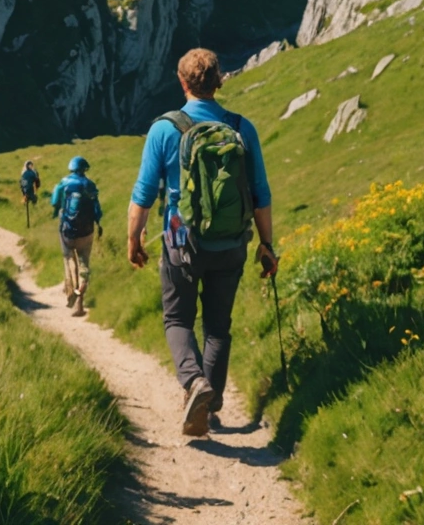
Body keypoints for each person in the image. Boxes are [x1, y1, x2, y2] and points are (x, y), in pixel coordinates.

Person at [126, 48, 279, 438]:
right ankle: (208, 402)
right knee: (218, 326)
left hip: (181, 239)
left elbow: (143, 193)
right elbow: (260, 193)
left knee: (177, 317)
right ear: (218, 81)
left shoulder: (164, 128)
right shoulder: (241, 128)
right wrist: (266, 245)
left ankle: (194, 383)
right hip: (231, 242)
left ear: (183, 82)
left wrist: (134, 238)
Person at [50, 155, 102, 316]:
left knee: (69, 259)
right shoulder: (90, 185)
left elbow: (54, 201)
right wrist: (98, 225)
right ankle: (79, 303)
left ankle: (71, 291)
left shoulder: (64, 183)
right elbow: (97, 210)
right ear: (84, 169)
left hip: (67, 230)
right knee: (84, 263)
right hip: (86, 231)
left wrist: (58, 209)